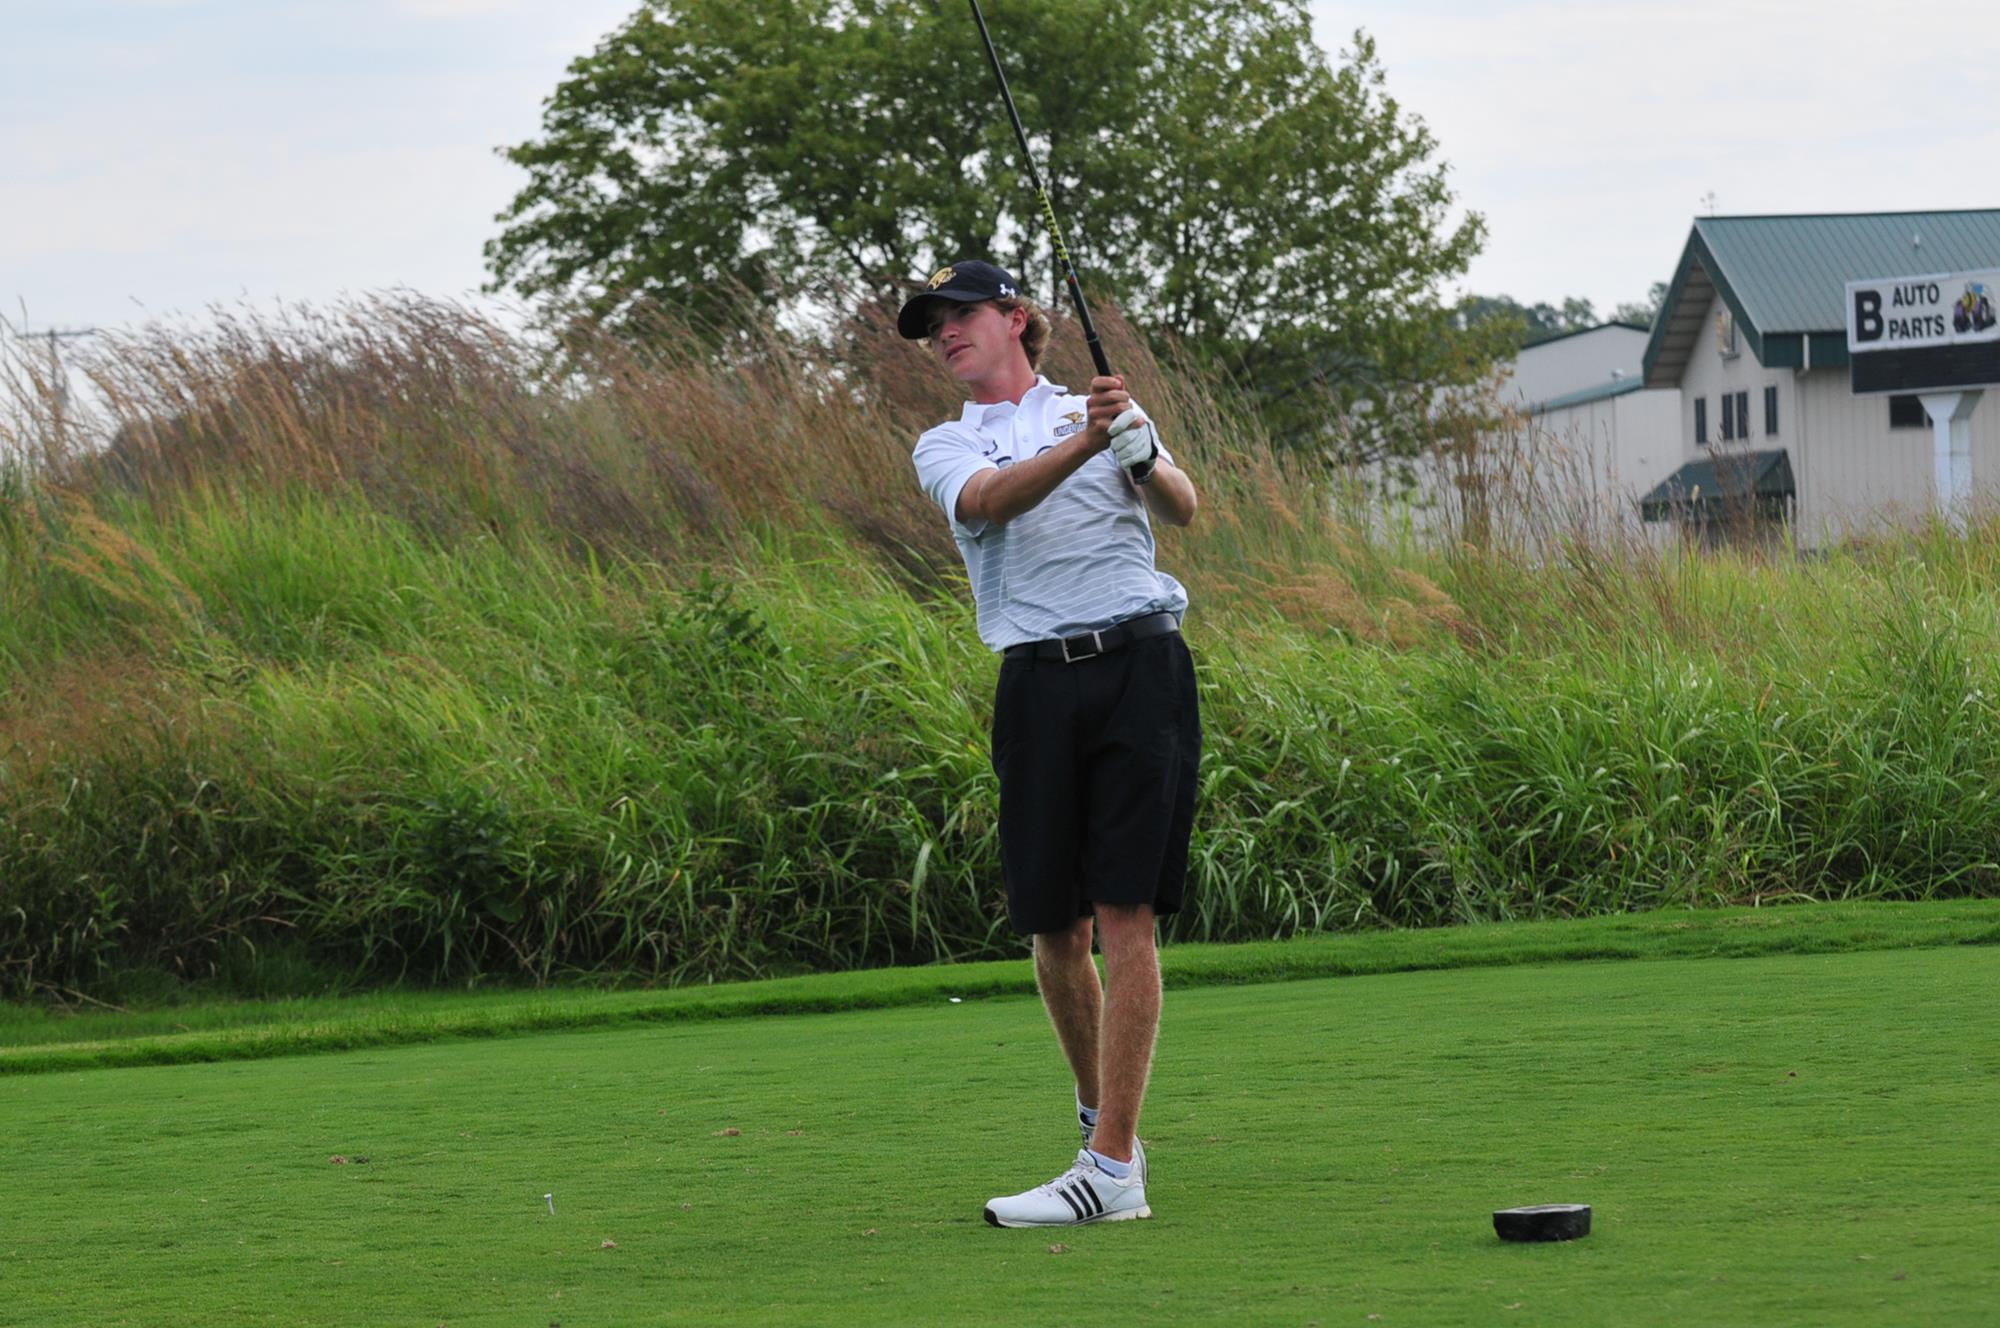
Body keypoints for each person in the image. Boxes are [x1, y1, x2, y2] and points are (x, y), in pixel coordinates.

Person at [900, 260, 1201, 1227]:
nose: (945, 332)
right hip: (1034, 680)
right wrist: (1091, 439)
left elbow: (1181, 508)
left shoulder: (1099, 406)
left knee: (1125, 917)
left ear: (1015, 319)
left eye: (961, 315)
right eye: (932, 324)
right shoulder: (945, 443)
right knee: (1052, 928)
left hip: (1140, 669)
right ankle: (1097, 1125)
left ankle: (1113, 1168)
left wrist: (1135, 444)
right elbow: (992, 503)